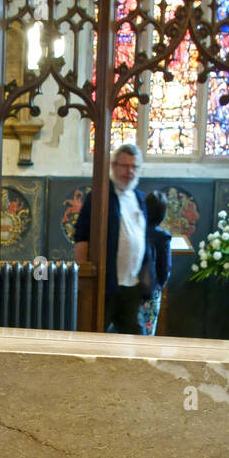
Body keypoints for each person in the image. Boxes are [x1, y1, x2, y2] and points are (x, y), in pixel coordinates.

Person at [73, 142, 154, 334]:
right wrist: (85, 278)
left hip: (132, 285)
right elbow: (82, 237)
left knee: (134, 340)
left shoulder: (140, 198)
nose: (129, 171)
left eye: (134, 167)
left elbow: (145, 239)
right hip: (104, 284)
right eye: (124, 166)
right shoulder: (100, 197)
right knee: (93, 336)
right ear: (114, 166)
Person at [139, 191, 172, 336]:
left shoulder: (136, 230)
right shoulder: (163, 236)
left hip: (131, 288)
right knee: (147, 332)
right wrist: (160, 285)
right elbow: (164, 267)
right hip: (152, 290)